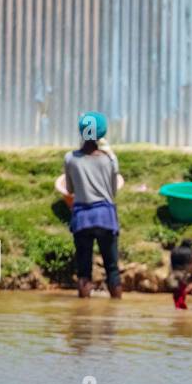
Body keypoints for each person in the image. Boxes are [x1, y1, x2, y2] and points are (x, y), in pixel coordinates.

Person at [63, 111, 123, 298]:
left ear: (82, 133)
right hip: (105, 216)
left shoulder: (70, 159)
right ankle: (116, 309)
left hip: (82, 218)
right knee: (112, 268)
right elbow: (112, 191)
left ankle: (83, 311)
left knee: (84, 269)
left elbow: (70, 190)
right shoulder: (109, 159)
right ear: (102, 133)